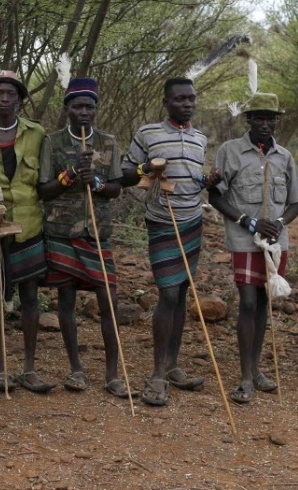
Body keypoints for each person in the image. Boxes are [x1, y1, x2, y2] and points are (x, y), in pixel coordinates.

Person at [121, 78, 217, 406]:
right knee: (169, 292)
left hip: (192, 221)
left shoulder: (200, 138)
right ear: (166, 102)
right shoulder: (148, 133)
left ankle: (174, 365)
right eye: (179, 99)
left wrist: (209, 180)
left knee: (183, 293)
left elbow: (195, 181)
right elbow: (125, 174)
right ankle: (158, 373)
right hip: (162, 221)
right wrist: (147, 167)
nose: (187, 104)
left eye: (191, 99)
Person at [208, 93, 298, 404]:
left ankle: (257, 367)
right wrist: (247, 221)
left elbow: (296, 201)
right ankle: (245, 376)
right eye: (259, 117)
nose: (265, 123)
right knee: (248, 301)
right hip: (243, 238)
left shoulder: (284, 156)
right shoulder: (230, 151)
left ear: (277, 121)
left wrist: (278, 221)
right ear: (248, 120)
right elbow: (215, 195)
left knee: (264, 301)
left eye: (271, 118)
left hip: (275, 241)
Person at [38, 77, 133, 399]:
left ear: (95, 110)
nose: (83, 112)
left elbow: (117, 188)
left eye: (88, 107)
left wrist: (95, 182)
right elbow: (44, 191)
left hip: (96, 233)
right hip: (62, 231)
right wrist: (68, 177)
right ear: (66, 109)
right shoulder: (52, 143)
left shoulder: (107, 143)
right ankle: (76, 369)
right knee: (65, 301)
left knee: (109, 299)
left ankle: (112, 373)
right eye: (77, 106)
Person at [0, 71, 52, 393]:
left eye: (11, 94)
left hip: (28, 225)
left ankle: (29, 368)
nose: (5, 99)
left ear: (20, 99)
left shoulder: (37, 134)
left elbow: (46, 181)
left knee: (30, 296)